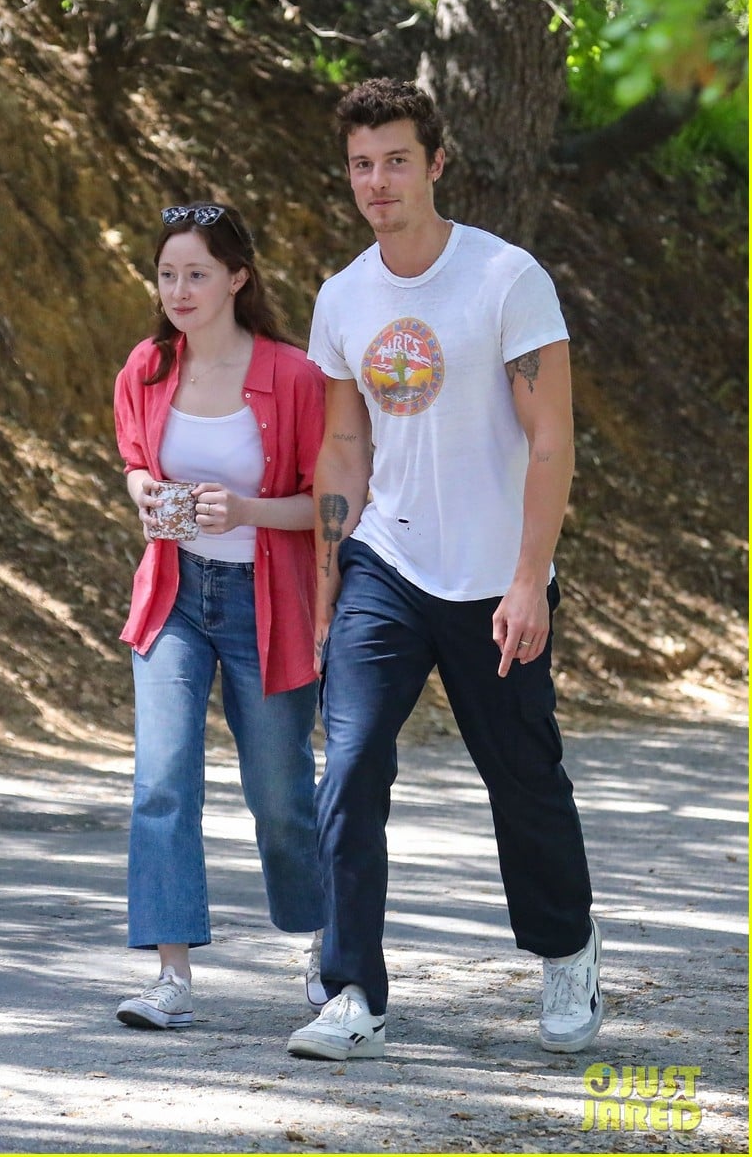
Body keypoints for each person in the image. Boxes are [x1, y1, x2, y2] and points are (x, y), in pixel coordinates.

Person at [287, 79, 602, 1062]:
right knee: (351, 761)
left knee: (522, 777)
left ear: (435, 162)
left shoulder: (505, 280)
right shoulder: (343, 296)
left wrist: (528, 575)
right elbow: (342, 442)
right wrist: (328, 575)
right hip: (387, 558)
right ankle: (350, 986)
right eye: (359, 164)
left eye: (393, 159)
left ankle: (565, 950)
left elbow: (550, 439)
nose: (375, 181)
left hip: (491, 572)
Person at [113, 201, 328, 1029]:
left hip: (265, 603)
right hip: (173, 595)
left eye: (196, 273)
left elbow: (333, 502)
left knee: (279, 796)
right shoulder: (148, 366)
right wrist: (148, 497)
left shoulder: (294, 376)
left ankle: (323, 947)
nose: (179, 289)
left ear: (237, 278)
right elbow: (136, 461)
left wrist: (246, 511)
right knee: (161, 782)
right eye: (167, 274)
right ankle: (171, 979)